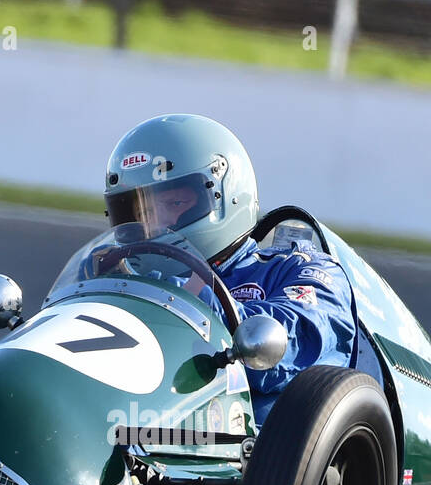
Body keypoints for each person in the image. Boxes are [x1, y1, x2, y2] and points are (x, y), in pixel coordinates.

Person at [102, 113, 356, 425]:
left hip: (244, 452)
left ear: (223, 195)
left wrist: (186, 300)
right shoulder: (124, 281)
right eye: (142, 213)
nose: (156, 225)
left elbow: (291, 347)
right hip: (133, 428)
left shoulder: (300, 269)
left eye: (173, 205)